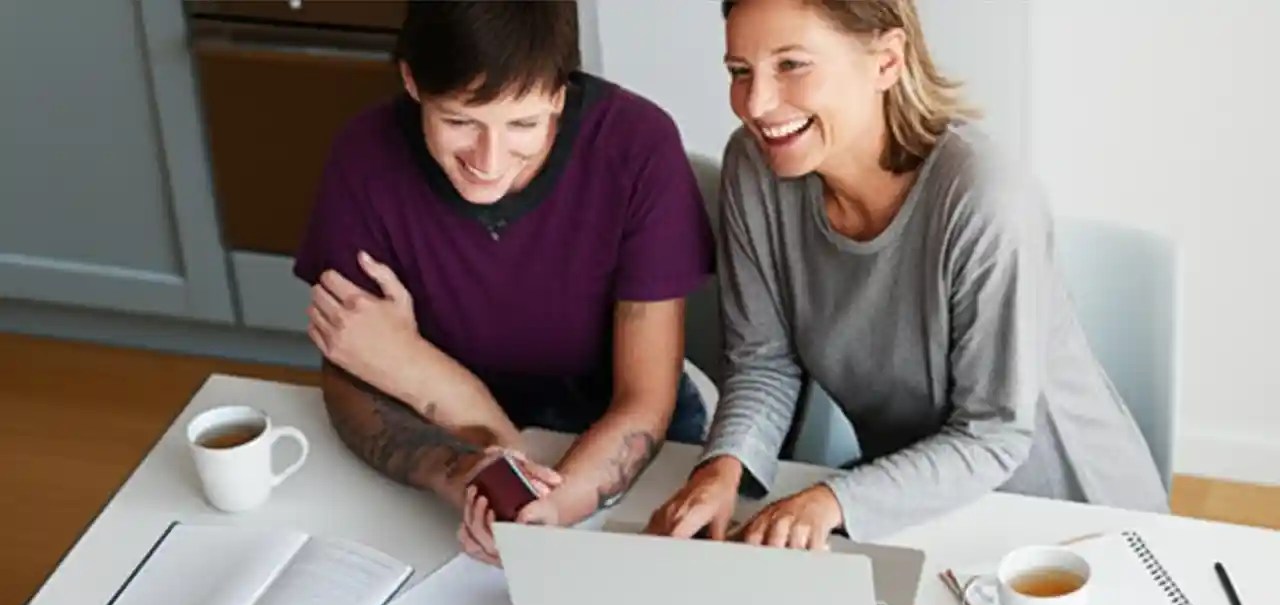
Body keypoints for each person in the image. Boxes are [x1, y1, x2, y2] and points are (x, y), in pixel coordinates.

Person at [646, 0, 1169, 548]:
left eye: (792, 65)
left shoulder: (986, 199)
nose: (756, 104)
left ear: (887, 61)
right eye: (739, 72)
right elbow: (763, 361)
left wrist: (834, 499)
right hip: (913, 508)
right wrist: (722, 467)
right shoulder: (756, 169)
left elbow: (993, 435)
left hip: (1070, 521)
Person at [295, 1, 715, 565]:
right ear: (412, 81)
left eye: (524, 124)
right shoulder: (365, 159)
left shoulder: (637, 148)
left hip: (612, 435)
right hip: (440, 438)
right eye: (460, 121)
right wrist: (463, 473)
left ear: (560, 95)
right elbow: (354, 369)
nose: (489, 161)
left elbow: (643, 401)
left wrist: (553, 505)